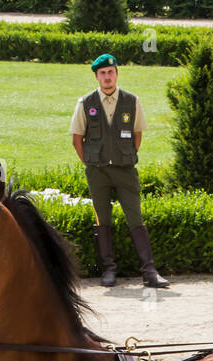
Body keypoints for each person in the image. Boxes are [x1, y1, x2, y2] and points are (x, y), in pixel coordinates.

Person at [70, 52, 169, 289]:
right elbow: (77, 139)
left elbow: (137, 134)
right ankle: (108, 270)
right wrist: (91, 163)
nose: (107, 77)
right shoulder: (85, 103)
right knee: (102, 220)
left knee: (135, 218)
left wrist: (125, 156)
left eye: (111, 72)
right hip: (98, 172)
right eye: (102, 73)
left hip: (125, 171)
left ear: (117, 74)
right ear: (96, 76)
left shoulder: (131, 101)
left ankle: (149, 272)